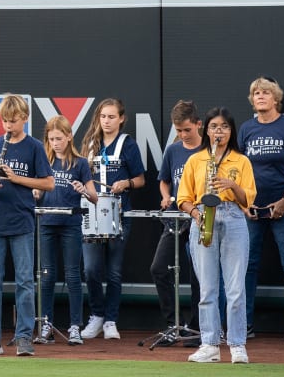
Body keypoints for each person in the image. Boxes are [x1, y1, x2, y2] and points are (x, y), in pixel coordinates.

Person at [0, 94, 54, 357]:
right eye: (5, 121)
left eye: (13, 121)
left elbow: (48, 183)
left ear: (25, 119)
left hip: (21, 221)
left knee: (25, 282)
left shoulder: (34, 147)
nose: (8, 125)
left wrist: (17, 178)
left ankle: (24, 337)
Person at [177, 107, 256, 364]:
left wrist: (232, 185)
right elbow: (183, 199)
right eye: (213, 126)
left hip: (233, 217)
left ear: (230, 130)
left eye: (223, 126)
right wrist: (197, 215)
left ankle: (237, 345)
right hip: (203, 218)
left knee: (235, 289)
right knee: (208, 289)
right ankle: (209, 344)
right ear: (206, 130)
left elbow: (248, 200)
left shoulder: (241, 161)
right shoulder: (196, 160)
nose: (218, 131)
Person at [237, 77, 284, 340]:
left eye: (265, 93)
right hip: (253, 209)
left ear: (276, 98)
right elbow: (239, 168)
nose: (260, 96)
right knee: (247, 266)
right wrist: (245, 202)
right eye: (256, 93)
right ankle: (244, 324)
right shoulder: (246, 129)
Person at [78, 97, 145, 340]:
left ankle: (111, 320)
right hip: (91, 215)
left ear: (121, 119)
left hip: (119, 215)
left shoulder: (127, 144)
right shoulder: (89, 144)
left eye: (111, 117)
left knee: (114, 271)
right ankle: (96, 315)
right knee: (92, 269)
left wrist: (125, 183)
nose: (106, 121)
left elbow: (140, 179)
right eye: (103, 116)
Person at [36, 114, 93, 345]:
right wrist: (36, 192)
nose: (55, 143)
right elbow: (37, 191)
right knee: (47, 276)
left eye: (59, 138)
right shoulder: (43, 161)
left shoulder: (80, 163)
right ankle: (46, 324)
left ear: (69, 137)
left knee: (72, 276)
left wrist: (83, 190)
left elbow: (95, 197)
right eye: (51, 139)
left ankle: (74, 326)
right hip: (46, 222)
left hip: (71, 224)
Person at [151, 100, 204, 339]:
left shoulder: (208, 151)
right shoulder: (173, 150)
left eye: (187, 130)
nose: (182, 135)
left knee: (198, 275)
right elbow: (164, 180)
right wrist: (165, 197)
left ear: (198, 125)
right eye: (178, 130)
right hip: (175, 218)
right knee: (159, 268)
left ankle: (196, 328)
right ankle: (174, 325)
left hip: (200, 219)